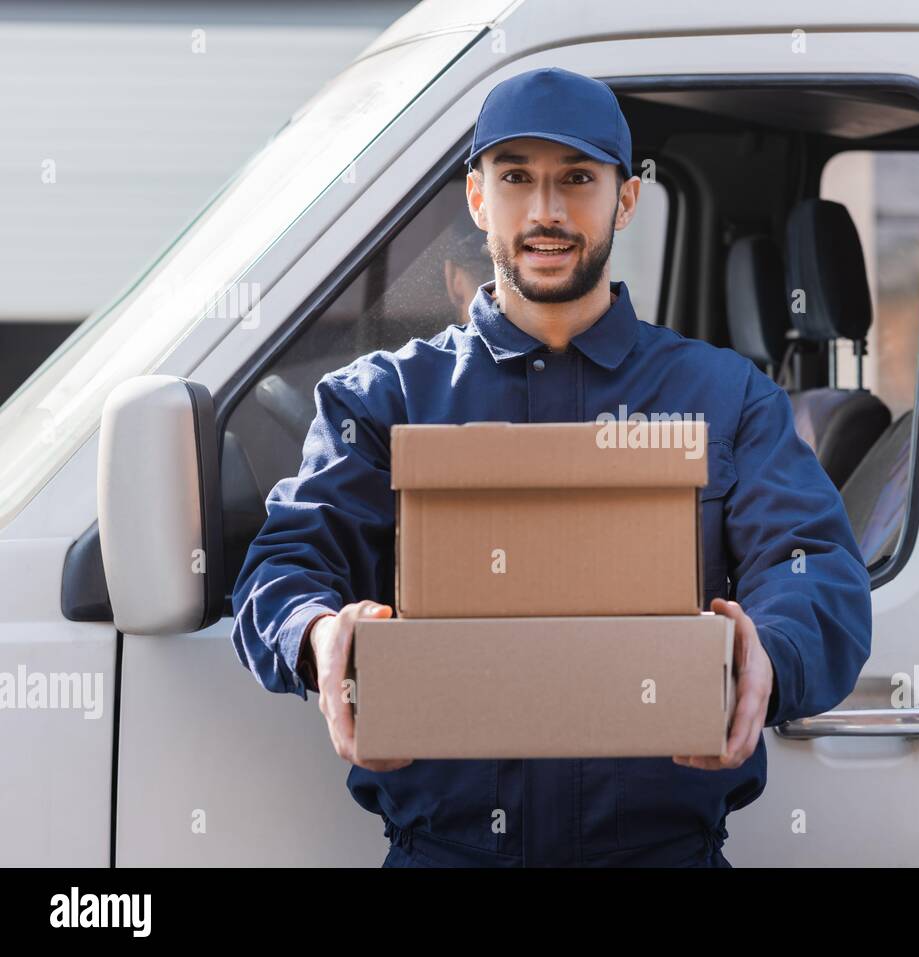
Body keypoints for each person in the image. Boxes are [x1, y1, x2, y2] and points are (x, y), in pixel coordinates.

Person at [230, 66, 873, 868]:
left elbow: (818, 574)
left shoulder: (725, 399)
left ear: (625, 199)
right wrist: (318, 635)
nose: (545, 210)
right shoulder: (386, 401)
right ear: (476, 198)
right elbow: (282, 567)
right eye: (516, 178)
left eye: (576, 178)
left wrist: (770, 653)